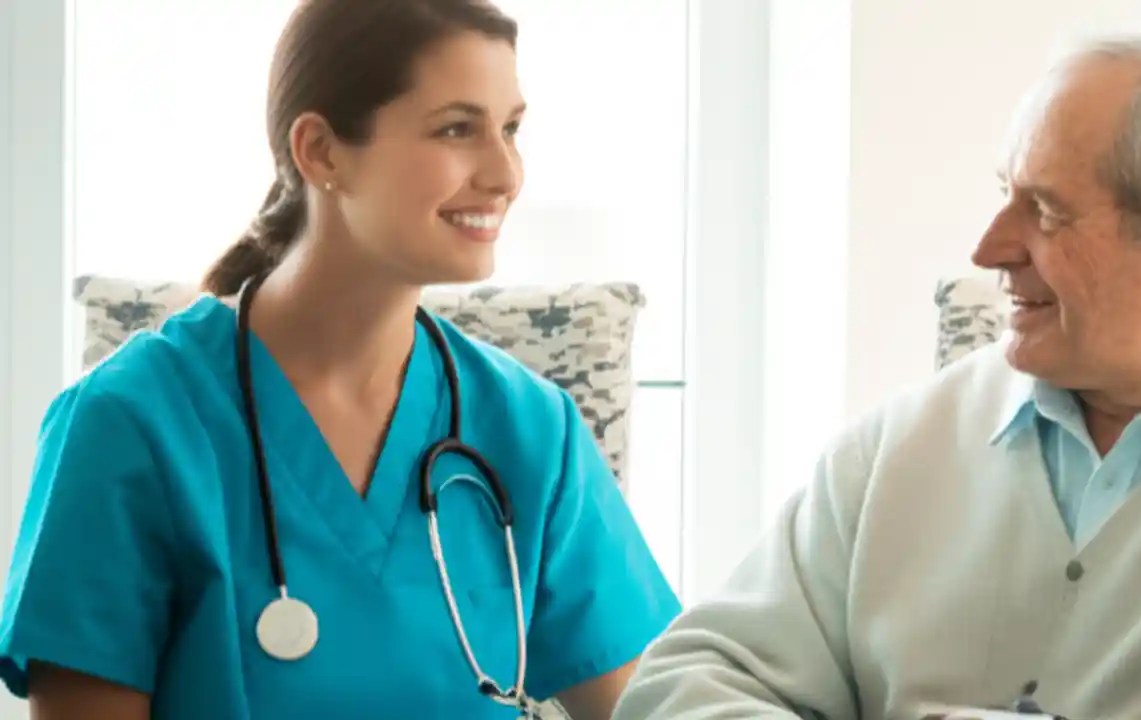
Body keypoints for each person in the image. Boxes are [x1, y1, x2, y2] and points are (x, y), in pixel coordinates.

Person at [0, 1, 680, 718]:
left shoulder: (531, 431)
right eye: (457, 129)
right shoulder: (130, 425)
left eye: (510, 130)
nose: (505, 173)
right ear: (320, 151)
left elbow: (656, 704)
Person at [614, 29, 1141, 720]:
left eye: (1047, 212)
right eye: (1006, 195)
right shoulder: (902, 444)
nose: (989, 249)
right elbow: (682, 686)